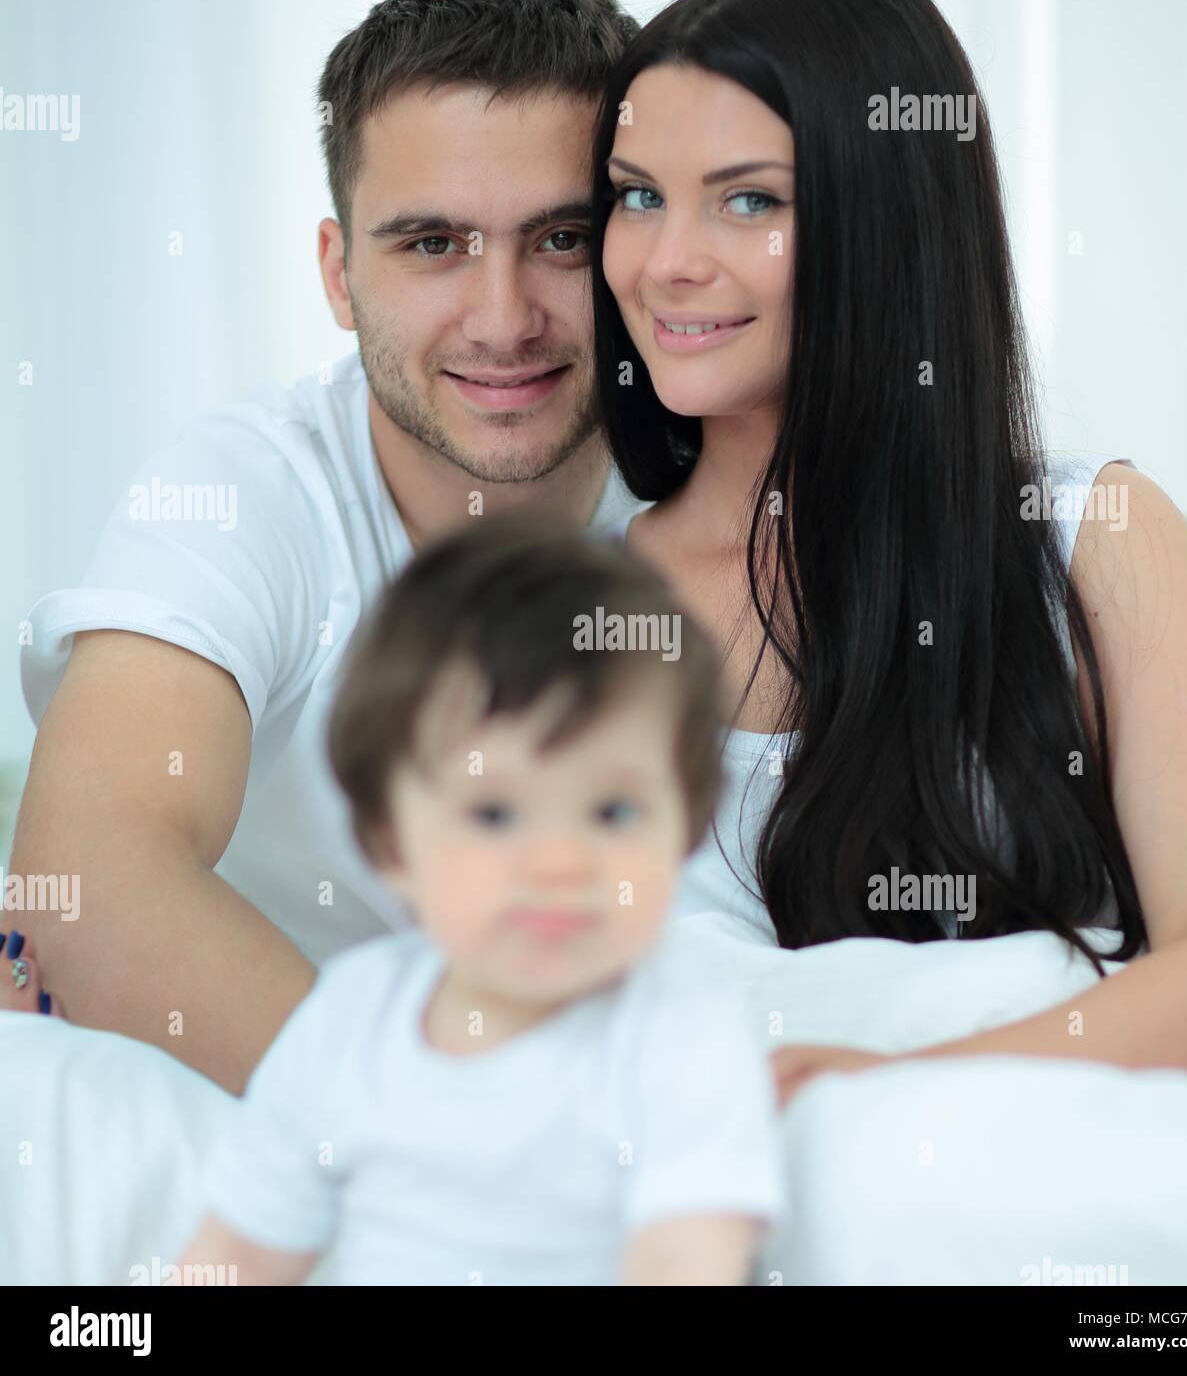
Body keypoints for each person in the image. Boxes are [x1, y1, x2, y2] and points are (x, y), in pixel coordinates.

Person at [588, 0, 1187, 1096]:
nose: (666, 262)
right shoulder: (575, 607)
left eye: (749, 201)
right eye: (638, 196)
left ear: (889, 220)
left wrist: (874, 1096)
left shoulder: (1097, 545)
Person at [5, 0, 641, 1094]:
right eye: (434, 242)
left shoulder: (726, 479)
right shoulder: (245, 487)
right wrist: (458, 1137)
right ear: (339, 274)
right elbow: (82, 882)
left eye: (564, 237)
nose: (503, 318)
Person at [174, 514, 785, 1285]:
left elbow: (687, 1258)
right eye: (495, 814)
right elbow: (238, 1256)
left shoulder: (677, 1034)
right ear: (394, 846)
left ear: (685, 825)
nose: (561, 862)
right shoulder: (349, 1019)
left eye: (614, 813)